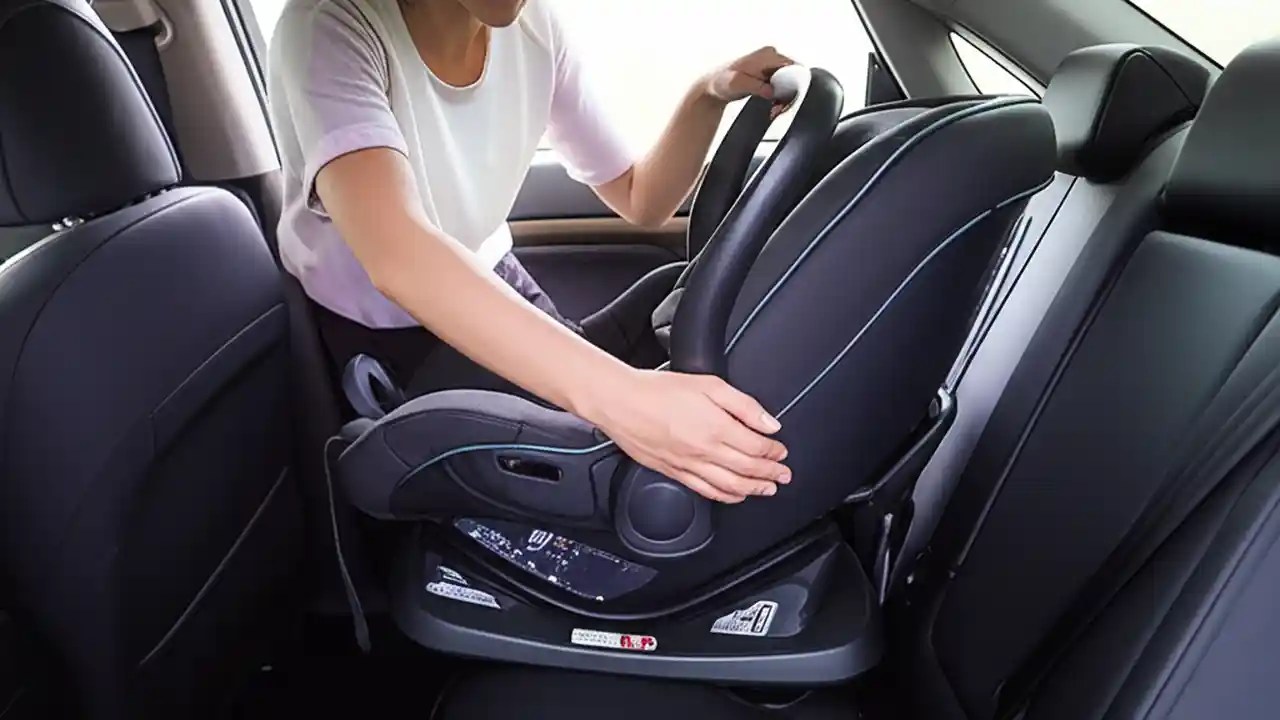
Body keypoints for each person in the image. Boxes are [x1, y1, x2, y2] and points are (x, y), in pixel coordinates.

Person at [269, 0, 794, 505]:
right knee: (610, 459)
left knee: (683, 296)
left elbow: (641, 196)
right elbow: (399, 256)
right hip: (389, 342)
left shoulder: (534, 26)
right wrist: (627, 400)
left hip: (496, 278)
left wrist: (707, 93)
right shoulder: (329, 26)